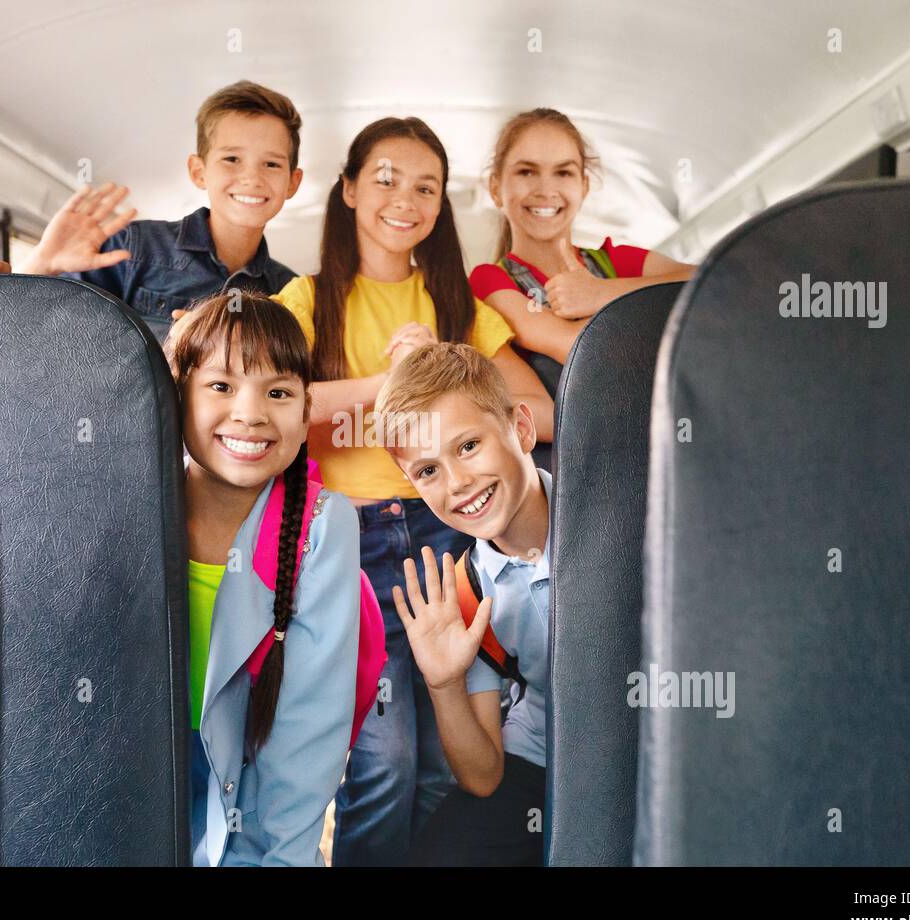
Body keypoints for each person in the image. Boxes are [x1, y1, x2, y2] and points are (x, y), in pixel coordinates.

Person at [271, 116, 553, 866]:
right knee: (381, 764)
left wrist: (450, 365)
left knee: (442, 763)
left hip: (448, 538)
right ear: (351, 190)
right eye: (387, 179)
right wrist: (397, 385)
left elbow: (543, 411)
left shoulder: (457, 304)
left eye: (427, 186)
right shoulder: (305, 297)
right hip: (352, 542)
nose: (407, 198)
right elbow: (282, 410)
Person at [166, 291, 360, 866]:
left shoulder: (323, 527)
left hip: (247, 816)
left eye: (278, 393)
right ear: (174, 396)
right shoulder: (128, 501)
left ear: (306, 417)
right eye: (221, 386)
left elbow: (306, 739)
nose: (250, 414)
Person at [0, 80, 304, 341]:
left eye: (271, 164)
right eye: (232, 159)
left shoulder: (292, 290)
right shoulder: (133, 248)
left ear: (293, 182)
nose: (251, 178)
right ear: (198, 171)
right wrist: (39, 267)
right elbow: (43, 338)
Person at [377, 342, 554, 866]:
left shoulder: (623, 518)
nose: (457, 483)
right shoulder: (464, 594)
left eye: (468, 446)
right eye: (427, 471)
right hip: (546, 761)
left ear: (521, 429)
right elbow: (483, 776)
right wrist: (444, 682)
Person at [472, 108, 694, 368]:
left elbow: (706, 281)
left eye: (563, 173)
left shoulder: (617, 261)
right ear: (496, 189)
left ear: (583, 187)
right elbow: (581, 351)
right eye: (526, 172)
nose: (546, 190)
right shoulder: (488, 282)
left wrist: (602, 293)